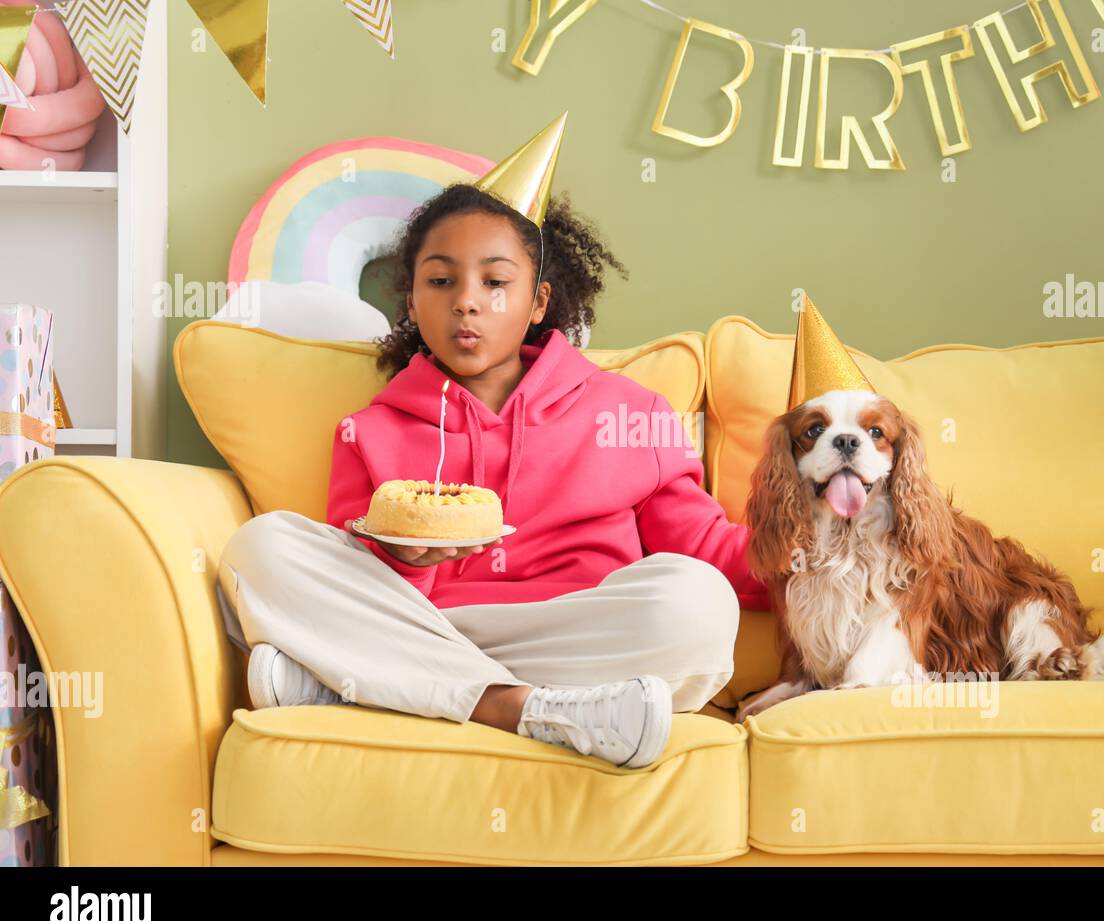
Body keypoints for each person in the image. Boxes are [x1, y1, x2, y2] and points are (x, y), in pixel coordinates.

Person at [216, 114, 769, 770]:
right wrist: (409, 559)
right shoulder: (371, 429)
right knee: (260, 547)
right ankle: (520, 708)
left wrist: (823, 541)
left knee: (697, 604)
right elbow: (362, 582)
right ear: (413, 303)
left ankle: (373, 686)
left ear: (538, 301)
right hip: (434, 624)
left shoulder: (631, 413)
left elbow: (707, 550)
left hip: (577, 630)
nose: (466, 304)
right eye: (441, 281)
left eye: (494, 282)